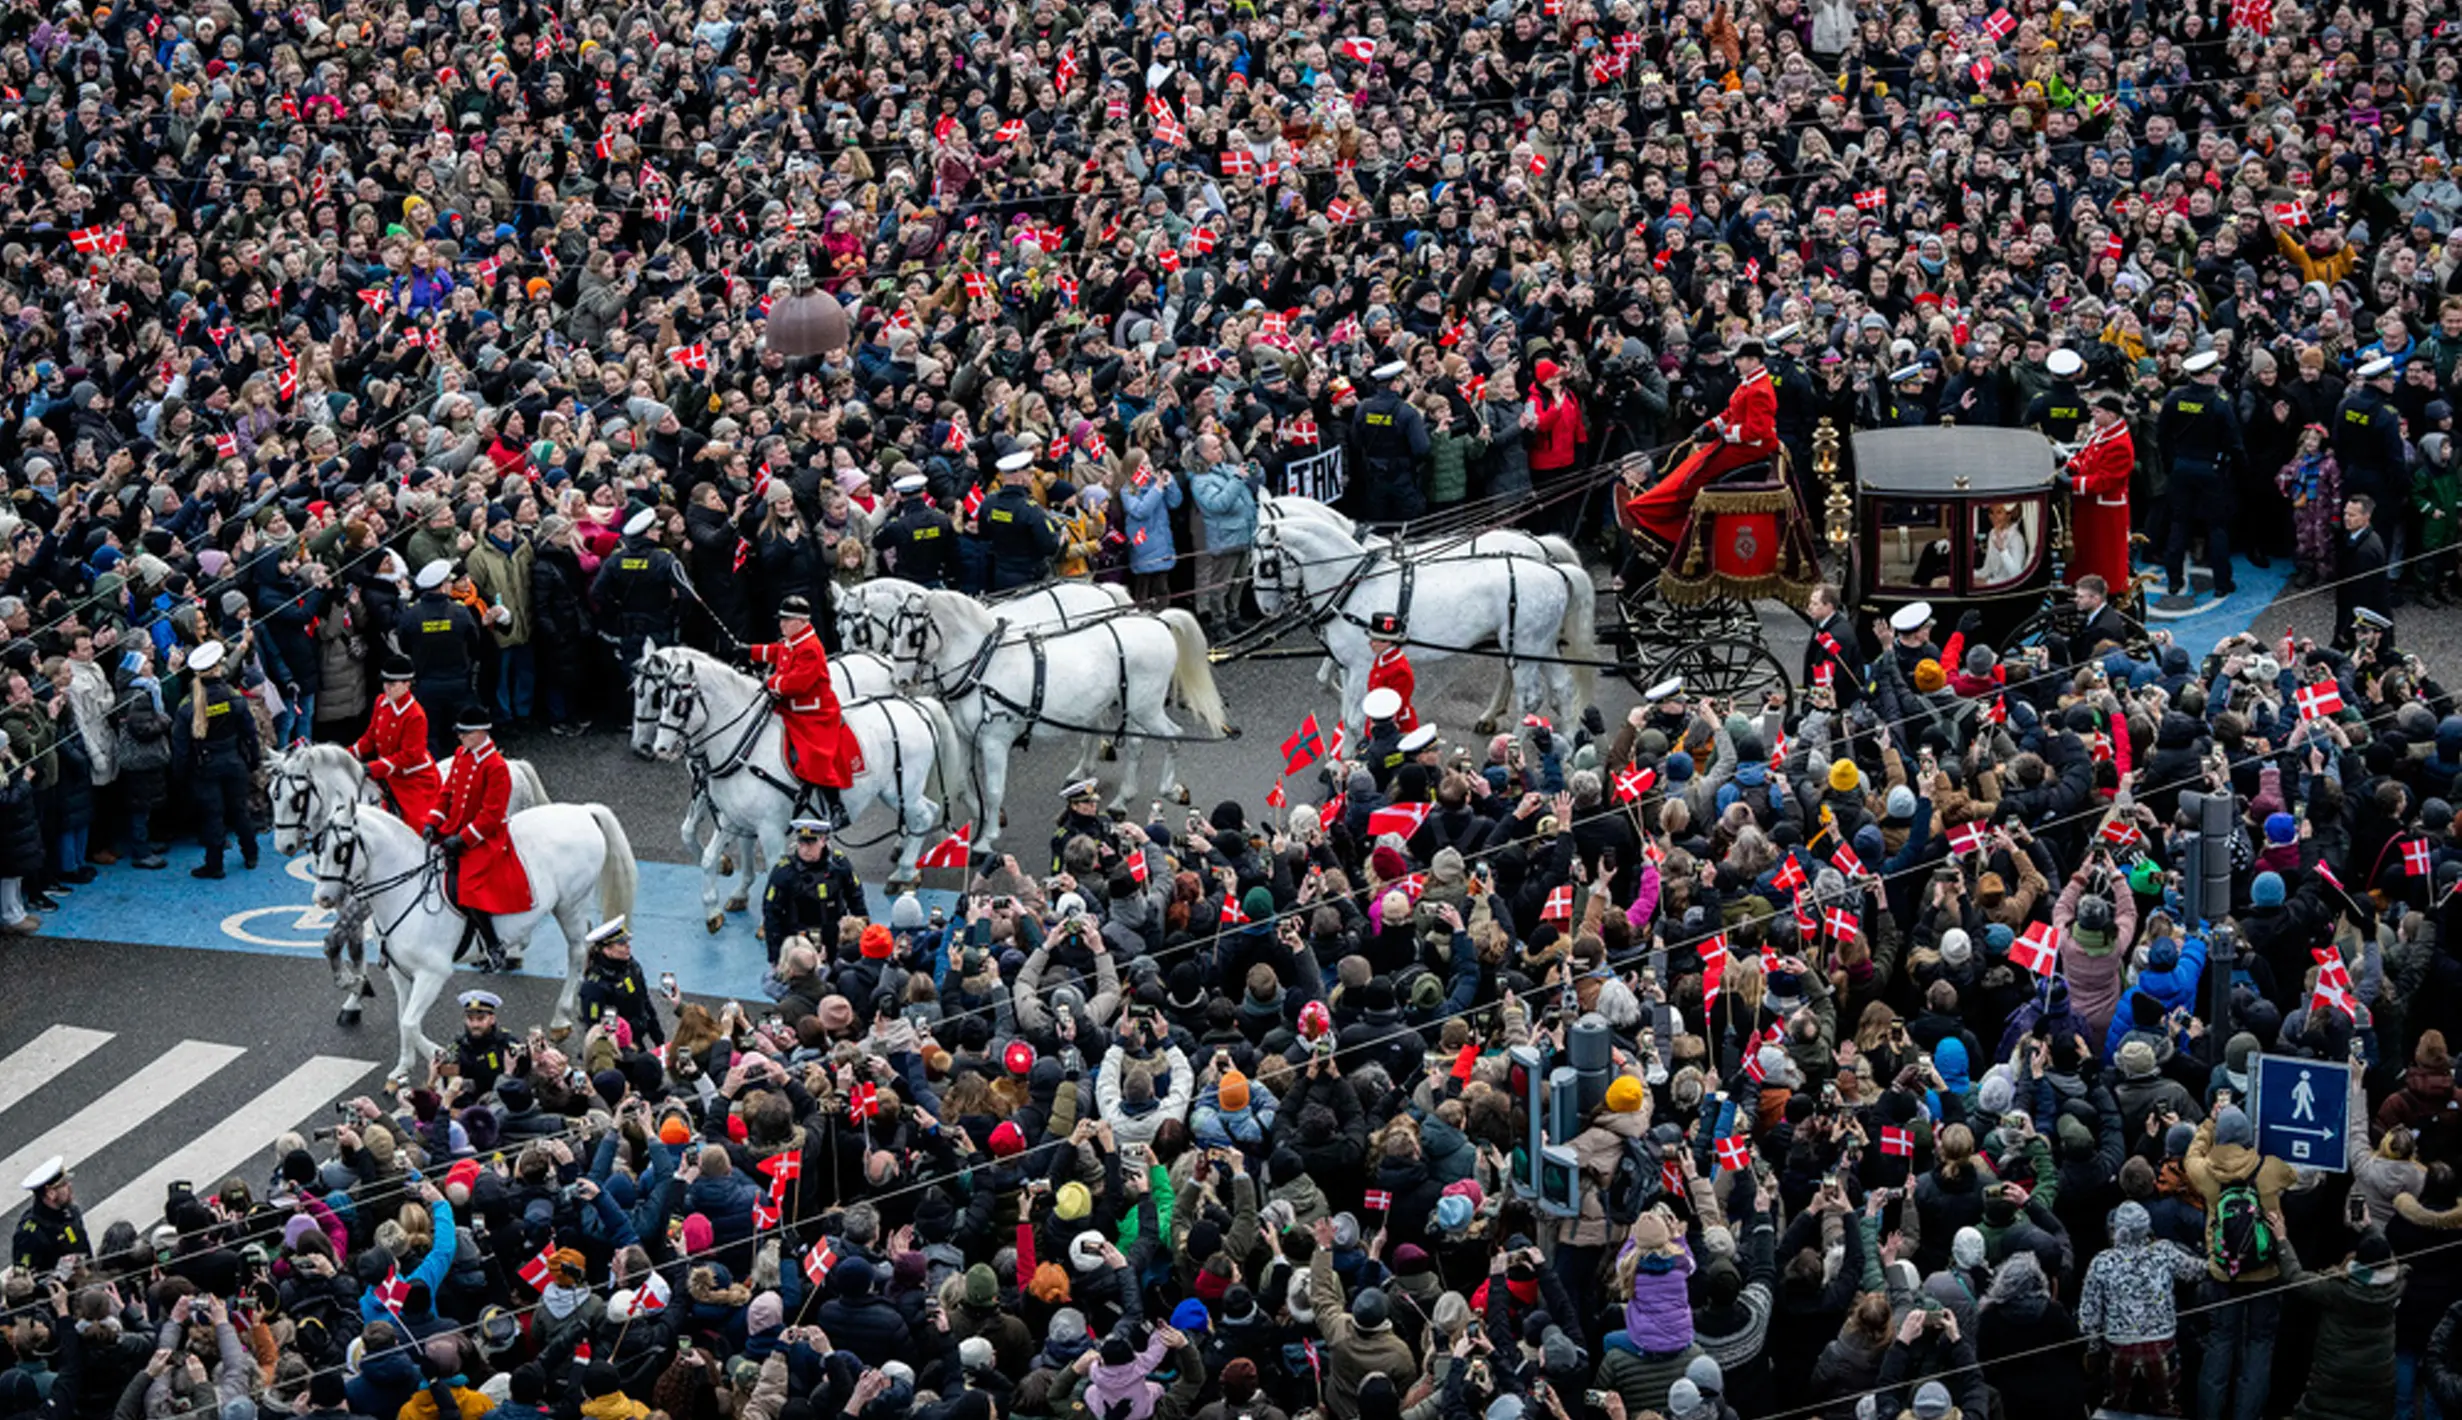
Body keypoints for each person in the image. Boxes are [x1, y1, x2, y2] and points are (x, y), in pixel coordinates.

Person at [1625, 339, 1777, 549]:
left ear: (1753, 360)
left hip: (1747, 450)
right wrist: (1709, 426)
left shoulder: (1758, 389)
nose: (1736, 363)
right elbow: (1730, 413)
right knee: (1692, 464)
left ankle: (1662, 517)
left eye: (1740, 359)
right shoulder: (1749, 382)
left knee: (1694, 473)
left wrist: (1725, 434)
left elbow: (1755, 431)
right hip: (1739, 444)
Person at [424, 706, 531, 974]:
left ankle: (493, 946)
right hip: (454, 828)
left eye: (465, 733)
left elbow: (491, 815)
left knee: (468, 886)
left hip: (484, 838)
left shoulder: (496, 767)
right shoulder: (462, 754)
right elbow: (447, 793)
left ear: (481, 733)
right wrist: (433, 821)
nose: (460, 738)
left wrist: (463, 839)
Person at [746, 594, 862, 825]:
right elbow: (779, 651)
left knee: (814, 755)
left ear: (800, 622)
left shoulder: (810, 648)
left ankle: (836, 806)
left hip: (813, 713)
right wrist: (749, 651)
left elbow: (797, 684)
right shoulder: (794, 640)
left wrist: (769, 683)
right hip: (791, 708)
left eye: (786, 621)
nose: (781, 624)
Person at [2155, 350, 2248, 606]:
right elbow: (2234, 442)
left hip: (2181, 467)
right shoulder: (2219, 403)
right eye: (2214, 373)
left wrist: (2170, 465)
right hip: (2211, 469)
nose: (2218, 377)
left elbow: (2162, 435)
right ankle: (2222, 583)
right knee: (2216, 528)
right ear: (2205, 375)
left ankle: (2174, 580)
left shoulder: (2175, 398)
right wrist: (2242, 472)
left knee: (2179, 524)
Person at [178, 640, 260, 880]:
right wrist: (253, 760)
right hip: (234, 761)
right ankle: (251, 854)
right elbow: (250, 733)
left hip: (205, 766)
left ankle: (214, 865)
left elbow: (181, 747)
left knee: (212, 815)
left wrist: (180, 776)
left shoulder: (188, 705)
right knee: (239, 810)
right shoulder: (233, 697)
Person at [400, 560, 482, 756]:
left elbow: (404, 645)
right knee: (463, 735)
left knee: (429, 736)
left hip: (426, 682)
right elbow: (474, 642)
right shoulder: (460, 612)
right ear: (444, 586)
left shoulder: (412, 615)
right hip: (458, 681)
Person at [592, 508, 686, 677]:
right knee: (664, 676)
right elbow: (686, 593)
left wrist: (616, 610)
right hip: (660, 625)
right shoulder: (664, 558)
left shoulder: (615, 560)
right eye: (655, 529)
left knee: (635, 677)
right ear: (646, 533)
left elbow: (597, 592)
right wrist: (677, 615)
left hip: (630, 627)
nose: (659, 532)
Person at [761, 817, 867, 965]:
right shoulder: (784, 872)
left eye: (811, 843)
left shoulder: (839, 865)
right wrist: (775, 957)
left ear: (823, 841)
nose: (805, 849)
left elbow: (856, 899)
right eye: (801, 843)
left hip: (835, 936)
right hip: (800, 941)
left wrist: (866, 938)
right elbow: (771, 914)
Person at [354, 658, 443, 825]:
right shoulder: (381, 701)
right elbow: (371, 736)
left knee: (416, 825)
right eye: (385, 683)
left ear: (406, 684)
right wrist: (347, 755)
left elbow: (410, 755)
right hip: (386, 771)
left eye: (392, 685)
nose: (387, 688)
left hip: (411, 777)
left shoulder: (415, 715)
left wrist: (372, 768)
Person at [2066, 394, 2137, 595]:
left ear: (2111, 415)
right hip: (2090, 507)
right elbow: (2086, 455)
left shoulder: (2120, 445)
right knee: (2088, 552)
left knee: (2103, 556)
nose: (2093, 415)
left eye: (2097, 412)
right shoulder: (2101, 432)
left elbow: (2105, 480)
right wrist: (2072, 467)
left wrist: (2072, 483)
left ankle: (2109, 591)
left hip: (2105, 513)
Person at [1352, 361, 1432, 525]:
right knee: (1408, 530)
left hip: (1373, 477)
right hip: (1402, 478)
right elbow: (1422, 449)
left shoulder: (1363, 408)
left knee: (1377, 528)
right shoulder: (1407, 412)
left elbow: (1355, 441)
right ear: (1394, 384)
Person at [575, 916, 664, 1048]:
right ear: (607, 950)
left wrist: (659, 1041)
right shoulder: (594, 986)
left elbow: (645, 1003)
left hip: (636, 1039)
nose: (628, 947)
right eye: (622, 944)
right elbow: (595, 1027)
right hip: (617, 1048)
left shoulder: (631, 966)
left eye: (627, 942)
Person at [981, 451, 1061, 593]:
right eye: (1029, 474)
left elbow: (984, 533)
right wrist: (1061, 537)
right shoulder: (1030, 509)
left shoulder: (989, 502)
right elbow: (1050, 546)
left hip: (1000, 575)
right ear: (1019, 477)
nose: (1032, 478)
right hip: (1030, 579)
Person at [10, 1158, 86, 1272]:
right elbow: (24, 1279)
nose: (70, 1186)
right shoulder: (29, 1234)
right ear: (51, 1193)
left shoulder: (71, 1211)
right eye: (64, 1184)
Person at [2337, 494, 2393, 650]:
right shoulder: (2355, 536)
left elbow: (2362, 593)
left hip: (2361, 614)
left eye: (2352, 515)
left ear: (2366, 517)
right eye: (2345, 514)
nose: (2347, 518)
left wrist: (2347, 626)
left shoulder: (2365, 551)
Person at [1363, 613, 1419, 735]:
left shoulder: (1399, 670)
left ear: (1387, 642)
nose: (1370, 643)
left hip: (1395, 728)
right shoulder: (1382, 658)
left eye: (1374, 640)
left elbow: (1395, 705)